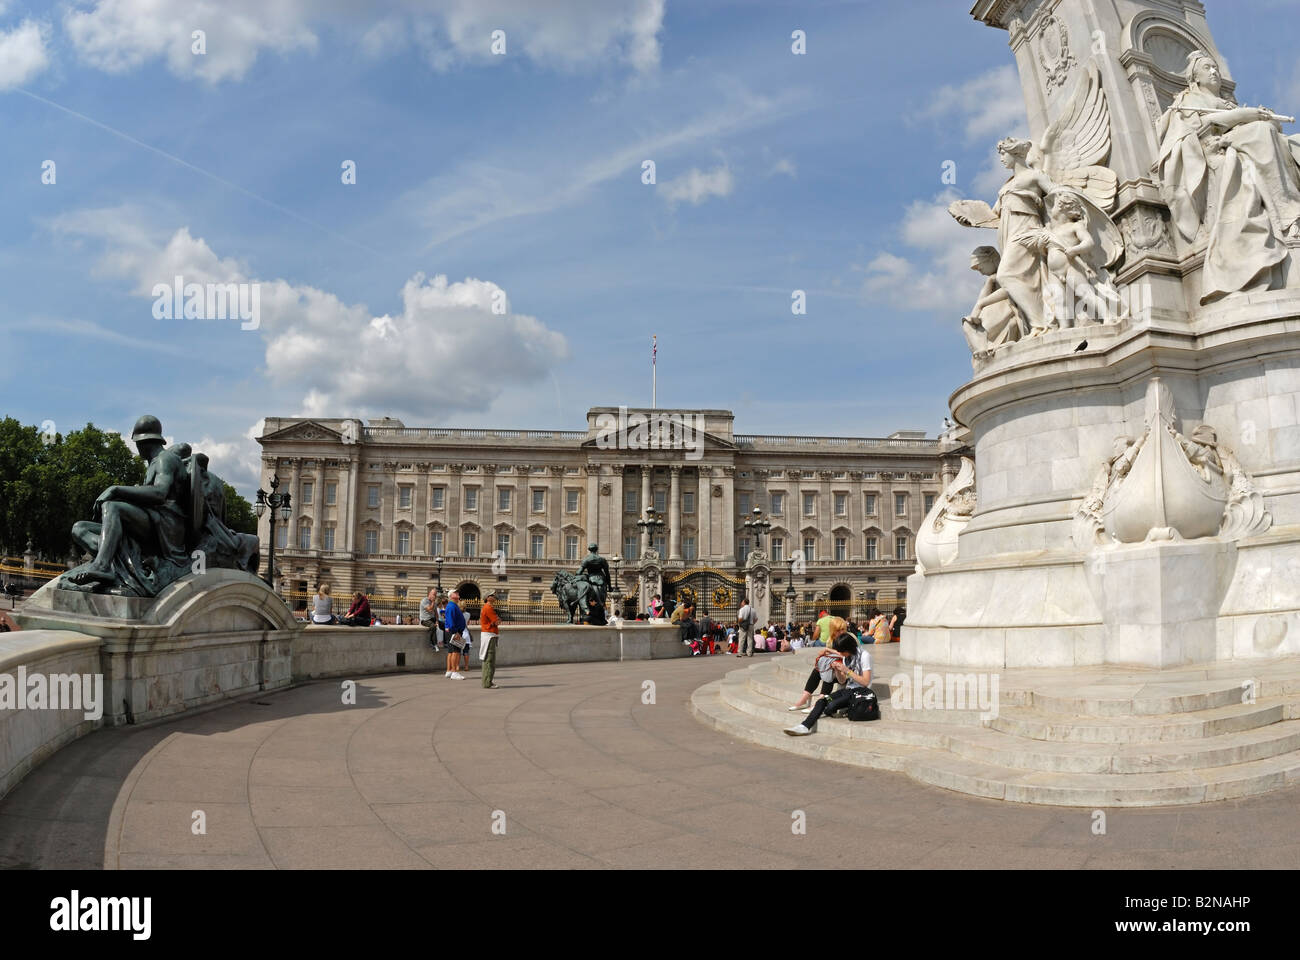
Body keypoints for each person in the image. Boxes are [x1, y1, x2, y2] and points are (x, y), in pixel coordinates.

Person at [784, 634, 872, 736]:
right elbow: (842, 681)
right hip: (848, 690)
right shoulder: (846, 658)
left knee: (831, 705)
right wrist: (837, 670)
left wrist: (847, 671)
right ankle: (804, 726)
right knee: (822, 701)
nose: (840, 654)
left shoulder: (865, 656)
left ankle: (832, 709)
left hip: (860, 692)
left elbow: (866, 682)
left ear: (848, 648)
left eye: (841, 652)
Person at [788, 617, 851, 712]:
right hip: (836, 668)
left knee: (828, 670)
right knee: (819, 668)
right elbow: (832, 655)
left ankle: (819, 702)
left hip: (847, 672)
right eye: (838, 630)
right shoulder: (831, 640)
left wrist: (828, 650)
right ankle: (804, 697)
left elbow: (849, 655)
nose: (841, 632)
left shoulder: (848, 638)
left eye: (842, 629)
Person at [443, 590, 468, 679]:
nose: (457, 593)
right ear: (451, 595)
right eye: (455, 593)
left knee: (451, 652)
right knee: (456, 652)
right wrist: (456, 632)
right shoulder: (451, 606)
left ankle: (449, 670)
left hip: (453, 631)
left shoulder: (452, 605)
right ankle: (454, 672)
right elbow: (450, 621)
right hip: (454, 631)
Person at [479, 592, 501, 689]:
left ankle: (487, 681)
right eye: (492, 595)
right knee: (489, 659)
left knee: (488, 659)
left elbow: (496, 621)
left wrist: (496, 621)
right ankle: (487, 682)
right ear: (488, 598)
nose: (494, 597)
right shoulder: (488, 608)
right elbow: (497, 621)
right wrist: (496, 621)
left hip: (489, 635)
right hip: (489, 635)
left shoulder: (487, 607)